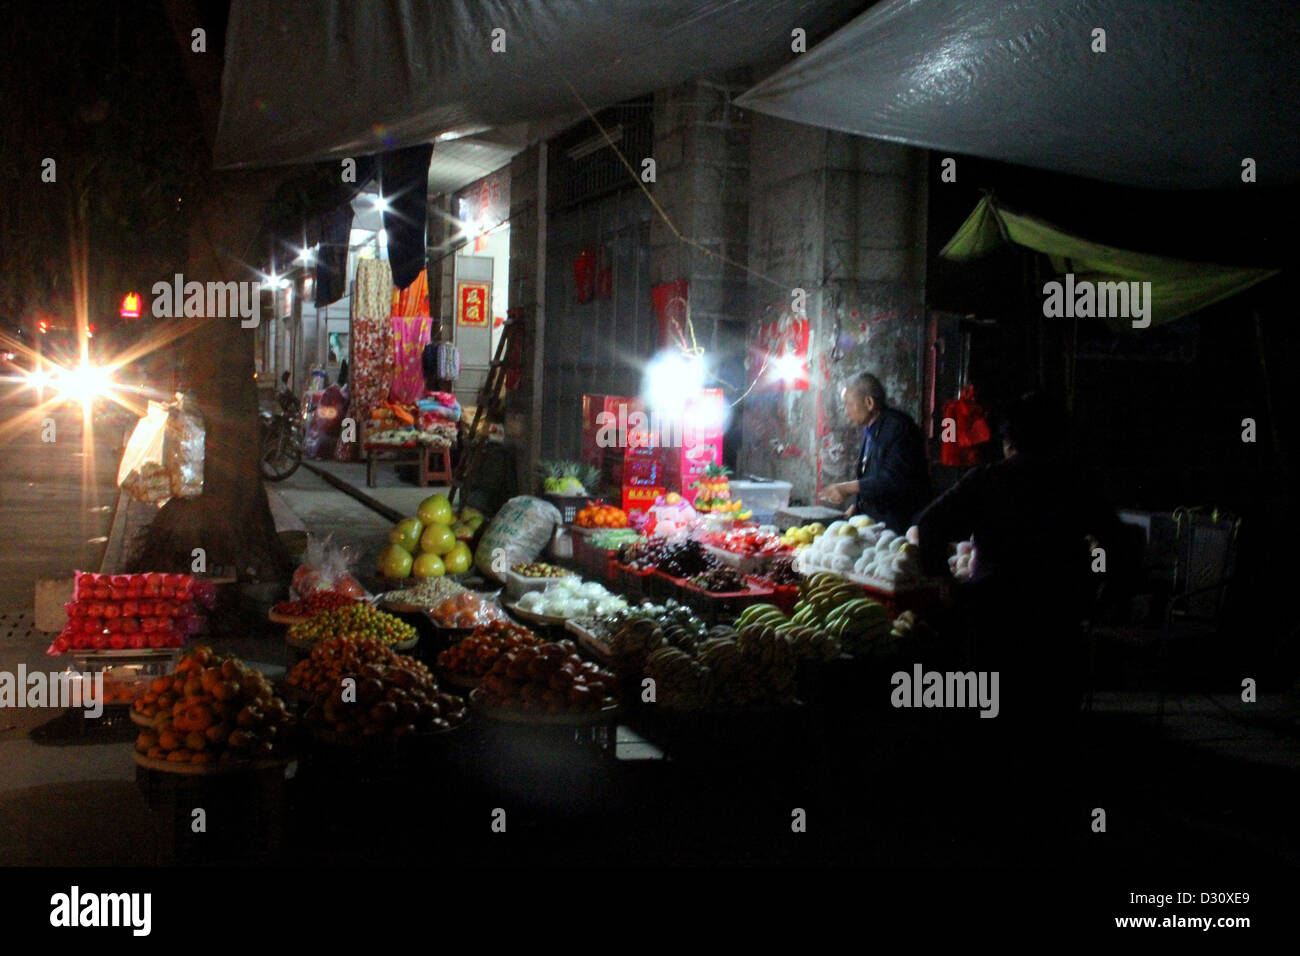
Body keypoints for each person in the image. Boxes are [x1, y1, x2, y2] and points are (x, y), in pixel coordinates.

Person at [914, 391, 1130, 862]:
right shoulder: (1076, 483)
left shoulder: (989, 480)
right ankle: (1046, 829)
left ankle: (989, 827)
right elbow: (1122, 543)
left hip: (993, 619)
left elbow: (928, 526)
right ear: (1060, 440)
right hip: (1057, 622)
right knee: (1049, 727)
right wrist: (1110, 597)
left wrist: (941, 581)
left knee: (991, 726)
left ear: (1008, 440)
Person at [822, 373, 930, 533]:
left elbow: (893, 479)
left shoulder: (898, 427)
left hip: (898, 525)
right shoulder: (870, 430)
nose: (846, 411)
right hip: (876, 523)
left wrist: (847, 488)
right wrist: (856, 507)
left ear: (869, 402)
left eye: (849, 404)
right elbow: (871, 477)